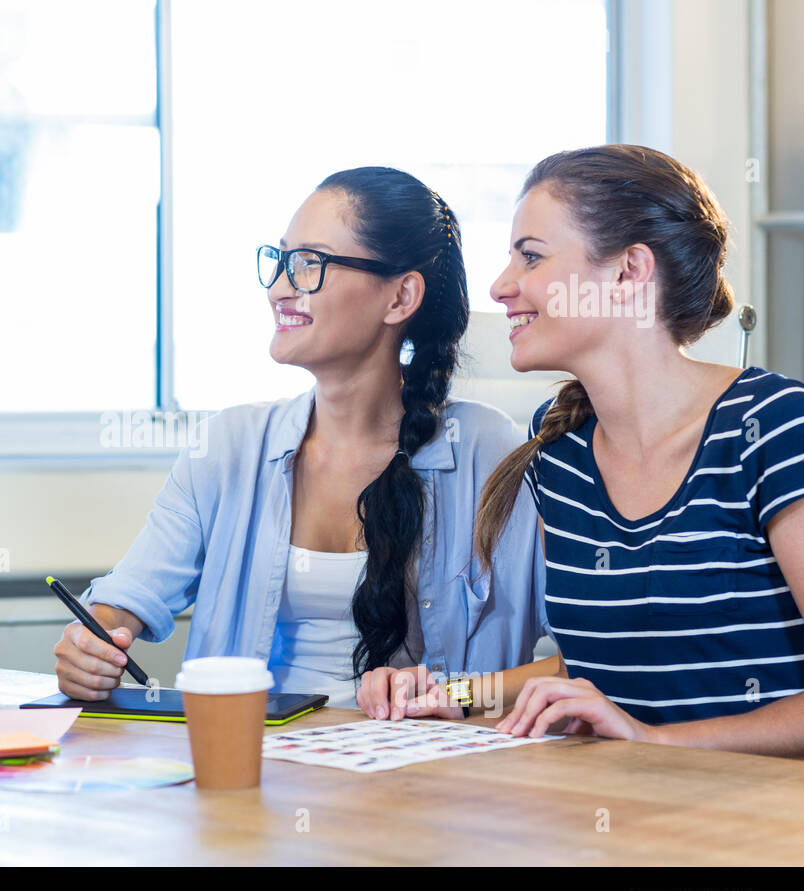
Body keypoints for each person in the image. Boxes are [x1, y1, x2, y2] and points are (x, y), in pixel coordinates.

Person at [363, 145, 804, 756]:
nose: (501, 285)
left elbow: (642, 725)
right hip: (624, 822)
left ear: (628, 272)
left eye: (532, 257)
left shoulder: (777, 427)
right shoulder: (560, 450)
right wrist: (453, 695)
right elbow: (595, 671)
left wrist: (652, 741)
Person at [53, 166, 545, 708]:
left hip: (426, 775)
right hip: (251, 763)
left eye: (310, 264)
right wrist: (90, 644)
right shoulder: (227, 447)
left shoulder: (491, 453)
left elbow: (584, 656)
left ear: (401, 297)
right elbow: (127, 601)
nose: (281, 288)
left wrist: (458, 695)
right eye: (281, 260)